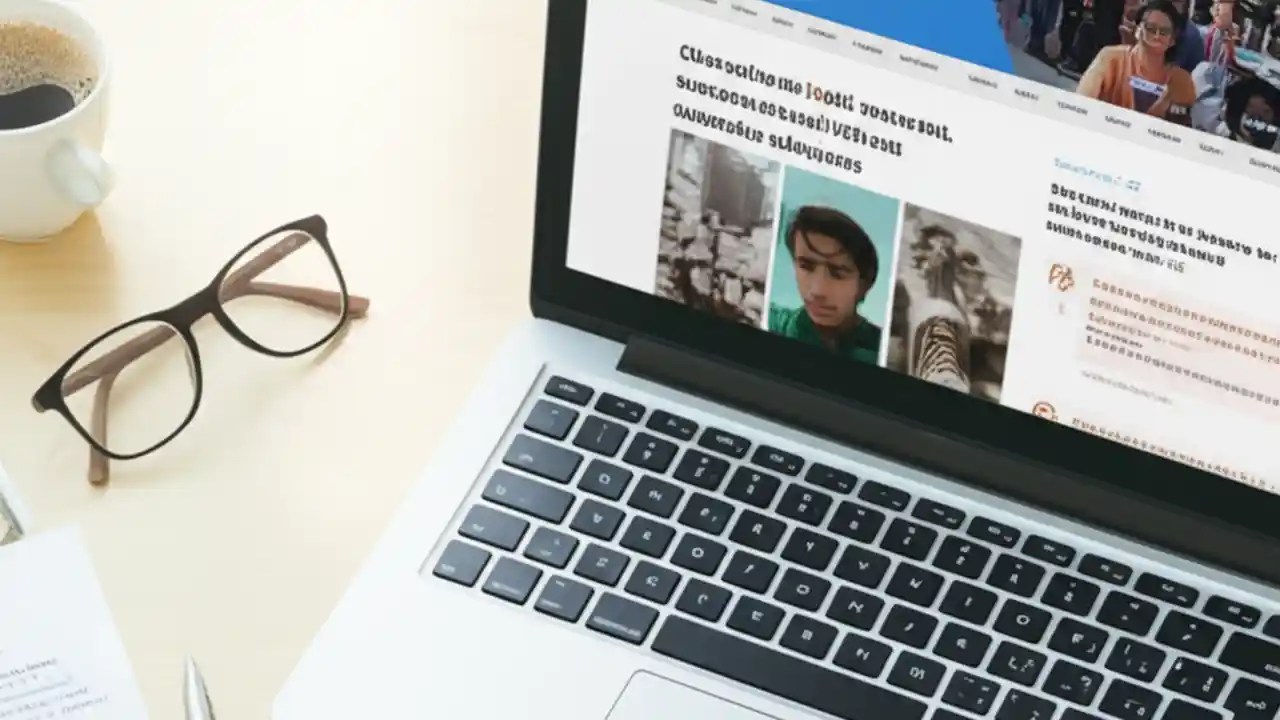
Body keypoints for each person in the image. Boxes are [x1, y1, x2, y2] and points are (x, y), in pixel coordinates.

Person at [768, 205, 882, 364]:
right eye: (806, 266)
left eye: (838, 273)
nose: (817, 291)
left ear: (864, 284)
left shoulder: (882, 350)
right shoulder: (772, 323)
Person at [1077, 0, 1198, 123]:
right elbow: (1081, 103)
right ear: (1138, 30)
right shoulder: (1110, 58)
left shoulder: (1182, 80)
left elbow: (1180, 130)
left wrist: (1165, 101)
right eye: (1150, 28)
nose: (1156, 36)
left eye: (1163, 32)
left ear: (1172, 40)